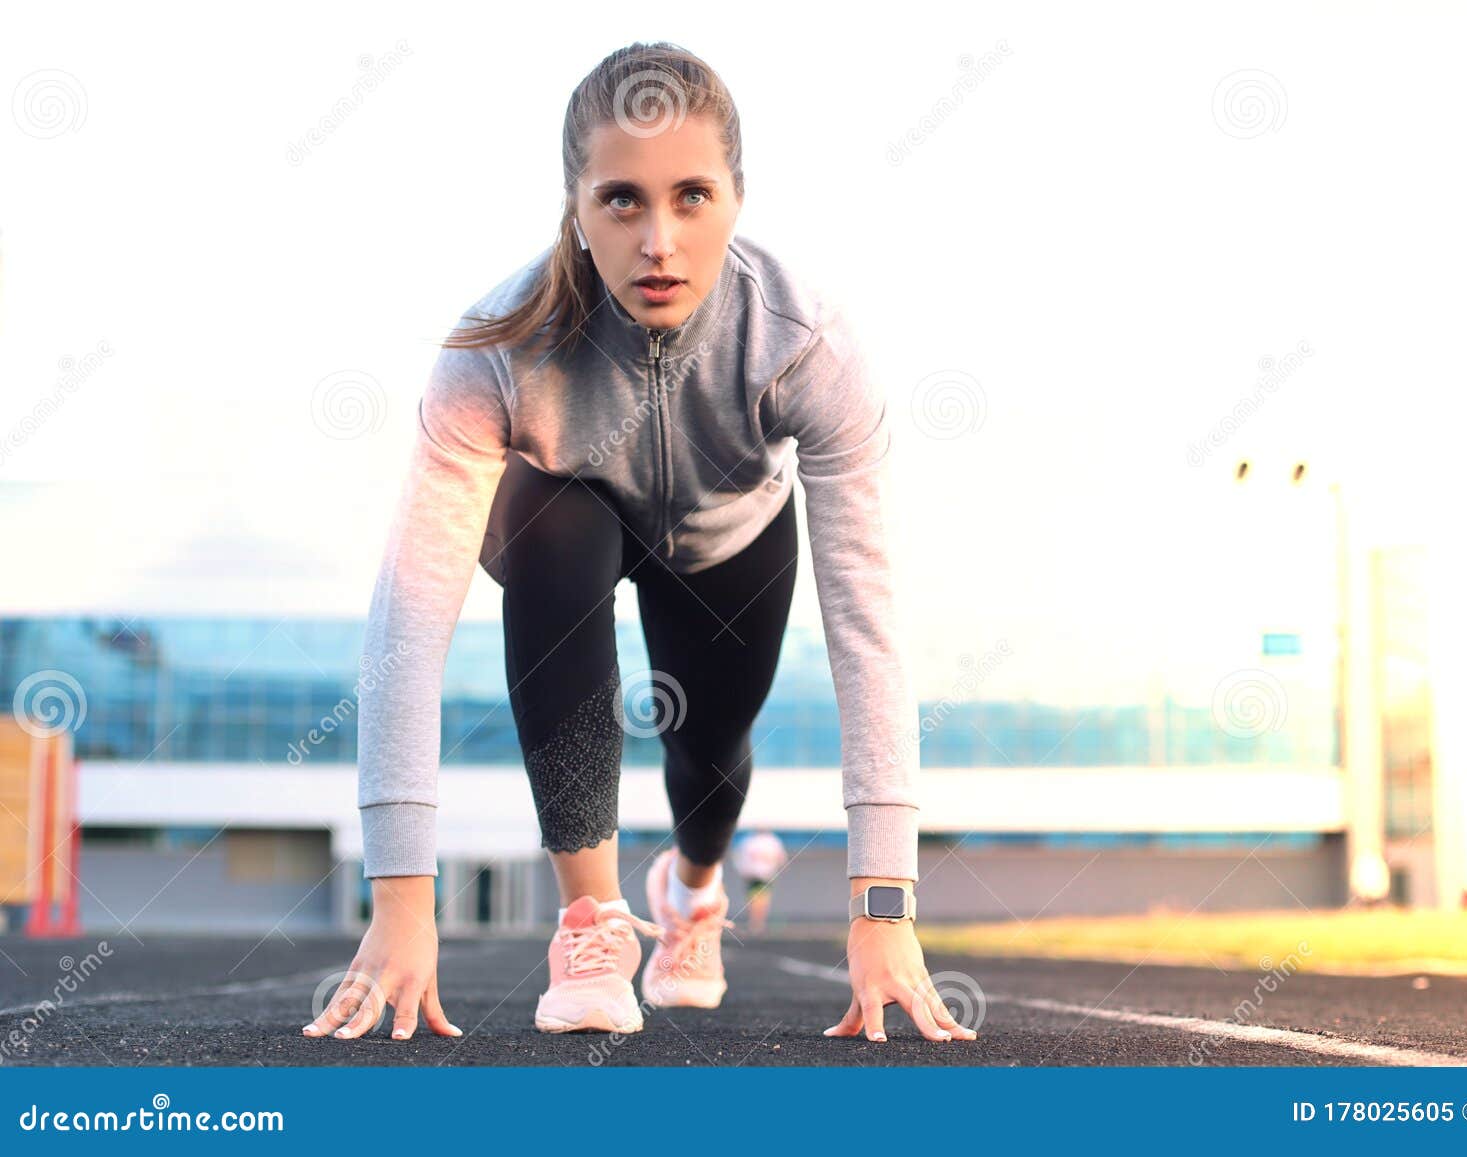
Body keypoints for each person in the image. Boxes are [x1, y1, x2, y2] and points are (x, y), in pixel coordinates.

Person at [301, 41, 975, 1046]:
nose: (659, 240)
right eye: (622, 200)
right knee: (547, 512)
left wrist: (885, 907)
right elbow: (410, 614)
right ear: (576, 205)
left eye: (691, 196)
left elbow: (866, 626)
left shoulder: (805, 337)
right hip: (575, 513)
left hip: (733, 539)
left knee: (710, 754)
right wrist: (403, 896)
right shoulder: (495, 347)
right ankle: (590, 917)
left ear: (737, 199)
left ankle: (689, 890)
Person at [732, 830, 788, 935]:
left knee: (757, 899)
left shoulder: (750, 840)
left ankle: (756, 923)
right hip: (759, 875)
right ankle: (756, 923)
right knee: (758, 899)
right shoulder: (769, 841)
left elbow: (738, 857)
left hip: (760, 875)